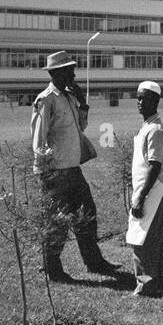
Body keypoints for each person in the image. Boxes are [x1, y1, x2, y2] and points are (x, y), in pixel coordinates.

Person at [31, 50, 119, 281]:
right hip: (55, 172)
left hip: (73, 169)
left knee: (87, 213)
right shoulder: (46, 100)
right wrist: (45, 172)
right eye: (69, 70)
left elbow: (81, 127)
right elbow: (39, 139)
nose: (74, 73)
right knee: (58, 222)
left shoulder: (68, 97)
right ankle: (53, 268)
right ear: (56, 73)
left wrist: (82, 103)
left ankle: (94, 262)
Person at [128, 80, 163, 297]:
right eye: (138, 98)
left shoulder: (154, 130)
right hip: (147, 189)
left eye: (145, 98)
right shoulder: (147, 126)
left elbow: (155, 166)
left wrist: (141, 197)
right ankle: (159, 281)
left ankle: (146, 285)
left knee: (142, 238)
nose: (140, 102)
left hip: (152, 190)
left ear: (156, 101)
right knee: (151, 238)